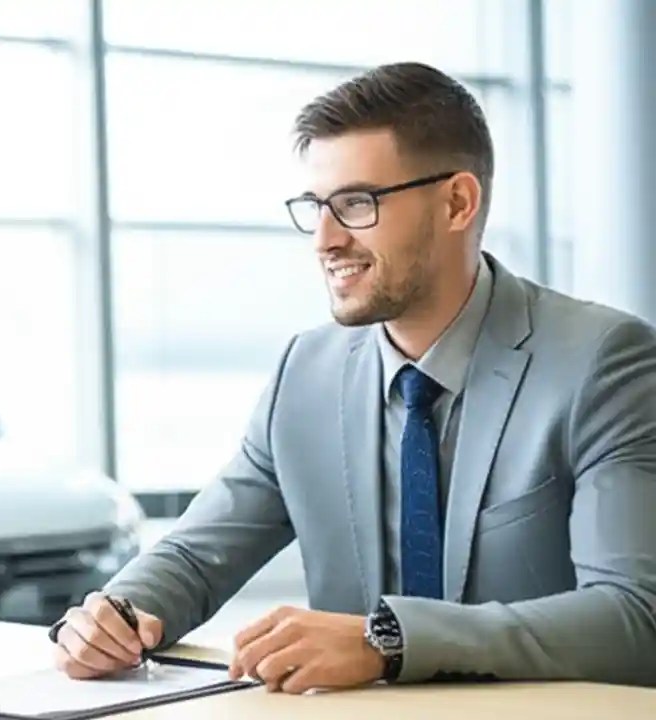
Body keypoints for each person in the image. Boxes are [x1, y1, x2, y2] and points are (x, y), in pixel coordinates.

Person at [51, 62, 656, 692]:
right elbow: (197, 555)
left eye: (356, 204)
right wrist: (117, 615)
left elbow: (638, 615)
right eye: (316, 207)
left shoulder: (603, 362)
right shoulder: (306, 374)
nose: (325, 239)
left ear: (457, 203)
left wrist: (388, 642)